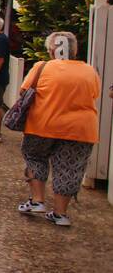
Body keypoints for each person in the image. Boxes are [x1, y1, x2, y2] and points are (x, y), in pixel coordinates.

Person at [16, 31, 102, 227]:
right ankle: (60, 213)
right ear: (75, 49)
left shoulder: (42, 67)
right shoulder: (89, 70)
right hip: (81, 128)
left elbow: (24, 91)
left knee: (35, 157)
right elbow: (94, 94)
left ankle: (37, 200)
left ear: (50, 49)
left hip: (43, 124)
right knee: (70, 167)